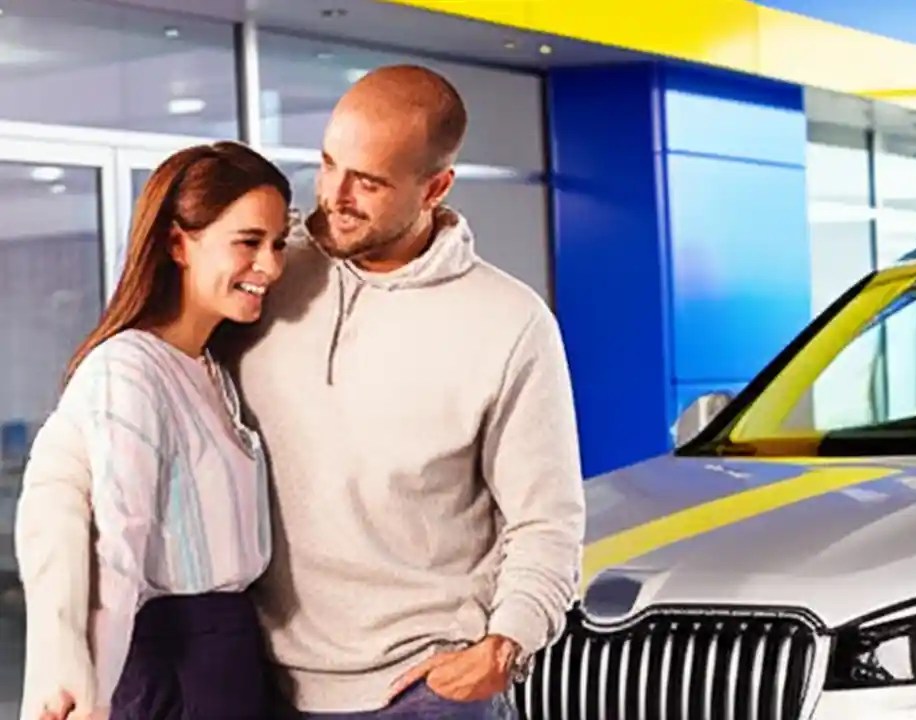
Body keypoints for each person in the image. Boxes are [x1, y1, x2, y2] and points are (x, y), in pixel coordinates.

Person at [35, 62, 586, 719]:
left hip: (422, 690)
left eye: (369, 182)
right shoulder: (267, 275)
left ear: (435, 186)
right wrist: (66, 658)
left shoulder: (509, 323)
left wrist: (506, 644)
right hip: (258, 681)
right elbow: (82, 466)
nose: (334, 194)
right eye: (328, 163)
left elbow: (547, 519)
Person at [16, 141, 293, 720]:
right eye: (248, 242)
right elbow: (117, 553)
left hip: (232, 657)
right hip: (174, 663)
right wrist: (91, 702)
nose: (269, 266)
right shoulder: (131, 369)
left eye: (278, 244)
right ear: (177, 243)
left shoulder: (210, 367)